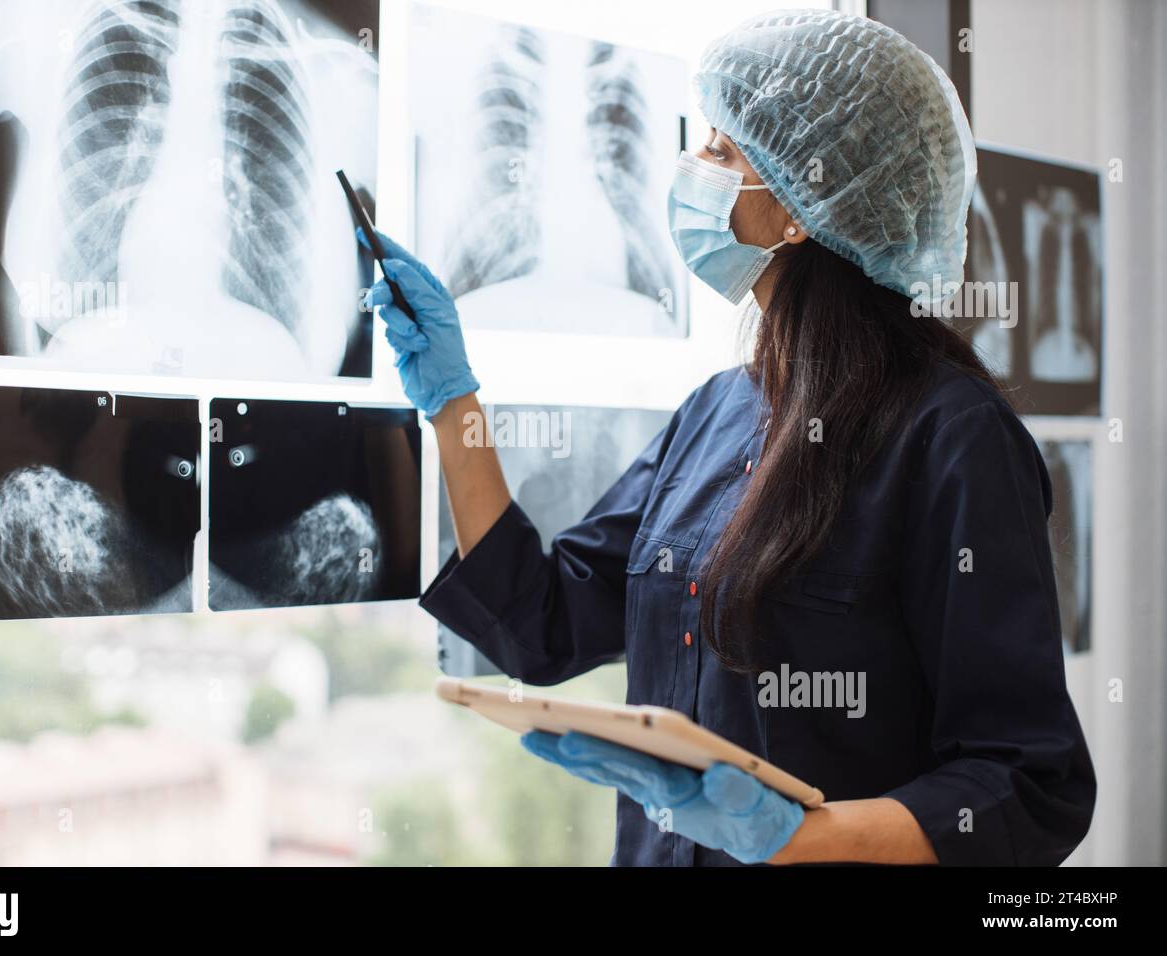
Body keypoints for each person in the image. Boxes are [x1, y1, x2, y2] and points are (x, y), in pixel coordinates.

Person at [362, 9, 1095, 866]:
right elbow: (542, 623)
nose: (692, 168)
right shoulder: (716, 411)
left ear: (799, 206)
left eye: (721, 150)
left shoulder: (952, 436)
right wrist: (456, 401)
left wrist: (802, 841)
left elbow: (1029, 784)